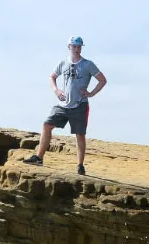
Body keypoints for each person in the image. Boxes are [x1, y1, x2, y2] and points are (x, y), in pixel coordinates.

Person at [21, 36, 107, 176]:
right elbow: (52, 77)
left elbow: (102, 80)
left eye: (79, 46)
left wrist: (91, 93)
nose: (77, 48)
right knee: (47, 125)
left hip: (80, 105)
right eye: (74, 46)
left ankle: (80, 166)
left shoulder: (88, 64)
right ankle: (38, 157)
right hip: (63, 105)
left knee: (80, 135)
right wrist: (56, 90)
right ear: (69, 47)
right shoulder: (63, 63)